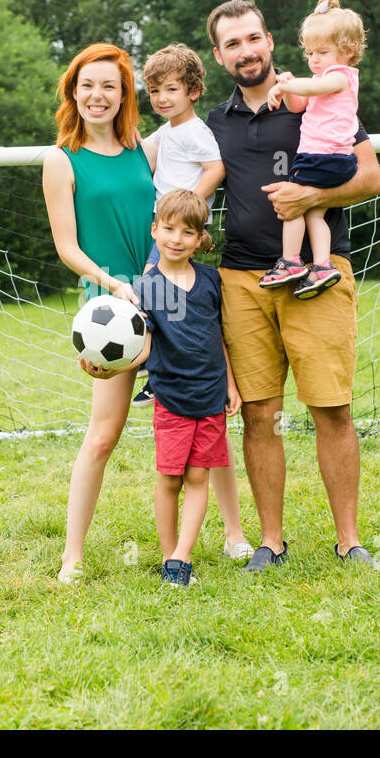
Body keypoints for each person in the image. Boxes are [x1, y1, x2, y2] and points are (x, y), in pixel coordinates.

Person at [203, 0, 380, 571]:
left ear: (270, 40)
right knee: (259, 415)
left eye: (252, 38)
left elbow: (371, 177)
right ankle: (271, 542)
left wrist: (314, 197)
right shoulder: (213, 124)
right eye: (232, 44)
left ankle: (349, 541)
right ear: (219, 55)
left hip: (316, 276)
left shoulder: (315, 100)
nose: (245, 51)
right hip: (242, 281)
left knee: (331, 409)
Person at [136, 43, 254, 562]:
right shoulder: (164, 133)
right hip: (166, 234)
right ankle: (154, 376)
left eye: (172, 89)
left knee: (190, 313)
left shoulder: (197, 131)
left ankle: (228, 532)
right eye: (155, 90)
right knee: (155, 305)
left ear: (193, 90)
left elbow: (215, 168)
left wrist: (190, 211)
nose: (162, 97)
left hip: (183, 223)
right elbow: (141, 158)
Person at [42, 43, 155, 583]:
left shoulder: (144, 150)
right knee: (105, 433)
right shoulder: (61, 160)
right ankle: (72, 555)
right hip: (114, 310)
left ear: (125, 93)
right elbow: (67, 246)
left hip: (169, 297)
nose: (98, 95)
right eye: (88, 84)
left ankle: (233, 536)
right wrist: (112, 285)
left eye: (110, 85)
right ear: (73, 91)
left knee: (203, 418)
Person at [94, 190, 242, 587]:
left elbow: (218, 338)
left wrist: (230, 385)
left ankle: (182, 558)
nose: (177, 239)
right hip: (172, 400)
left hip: (210, 397)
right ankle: (167, 554)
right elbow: (141, 350)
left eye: (188, 232)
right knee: (171, 481)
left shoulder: (211, 281)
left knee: (198, 478)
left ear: (199, 240)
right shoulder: (145, 288)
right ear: (155, 230)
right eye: (169, 229)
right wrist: (108, 372)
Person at [261, 0, 367, 299]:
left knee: (292, 205)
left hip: (324, 158)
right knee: (314, 214)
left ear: (347, 51)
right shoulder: (323, 78)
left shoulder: (341, 77)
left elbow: (310, 88)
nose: (314, 59)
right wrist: (287, 86)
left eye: (322, 51)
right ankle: (322, 265)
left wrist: (283, 84)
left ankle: (291, 261)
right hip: (324, 159)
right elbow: (298, 105)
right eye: (309, 52)